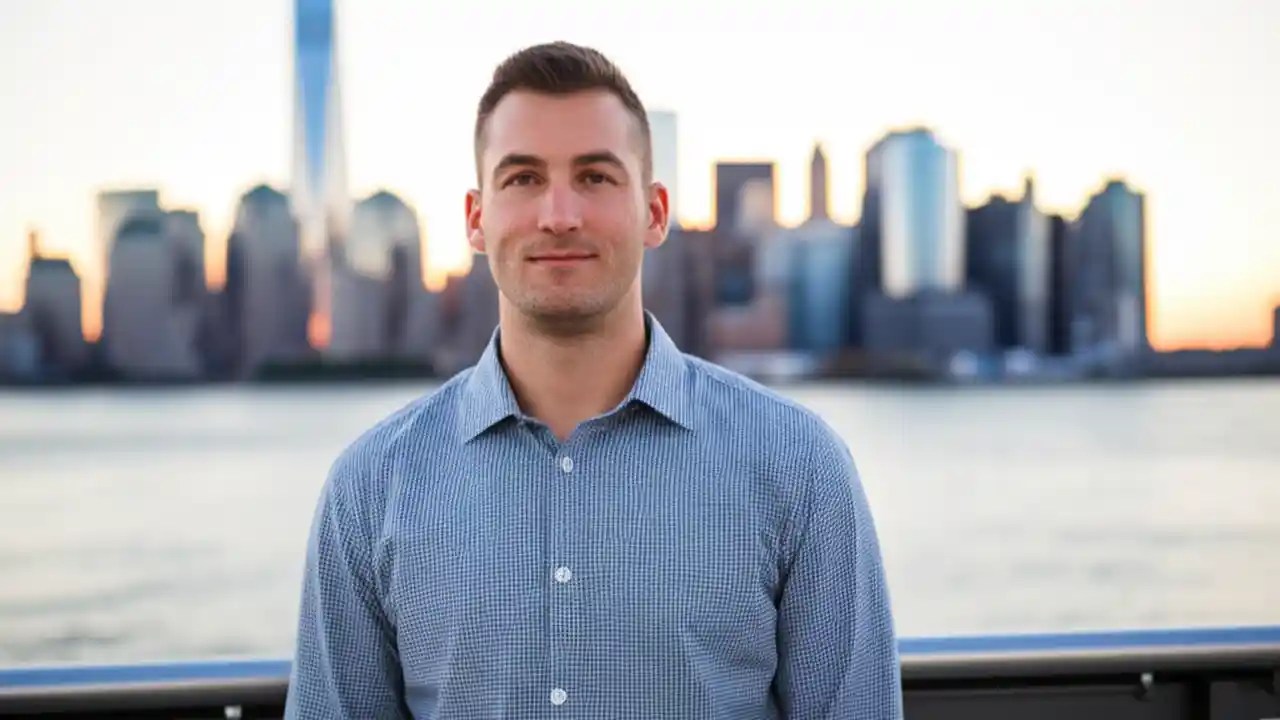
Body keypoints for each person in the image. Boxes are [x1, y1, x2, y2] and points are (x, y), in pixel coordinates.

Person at [284, 41, 903, 719]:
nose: (559, 214)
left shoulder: (800, 465)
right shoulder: (371, 487)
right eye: (522, 178)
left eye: (596, 177)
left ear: (656, 213)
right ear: (475, 219)